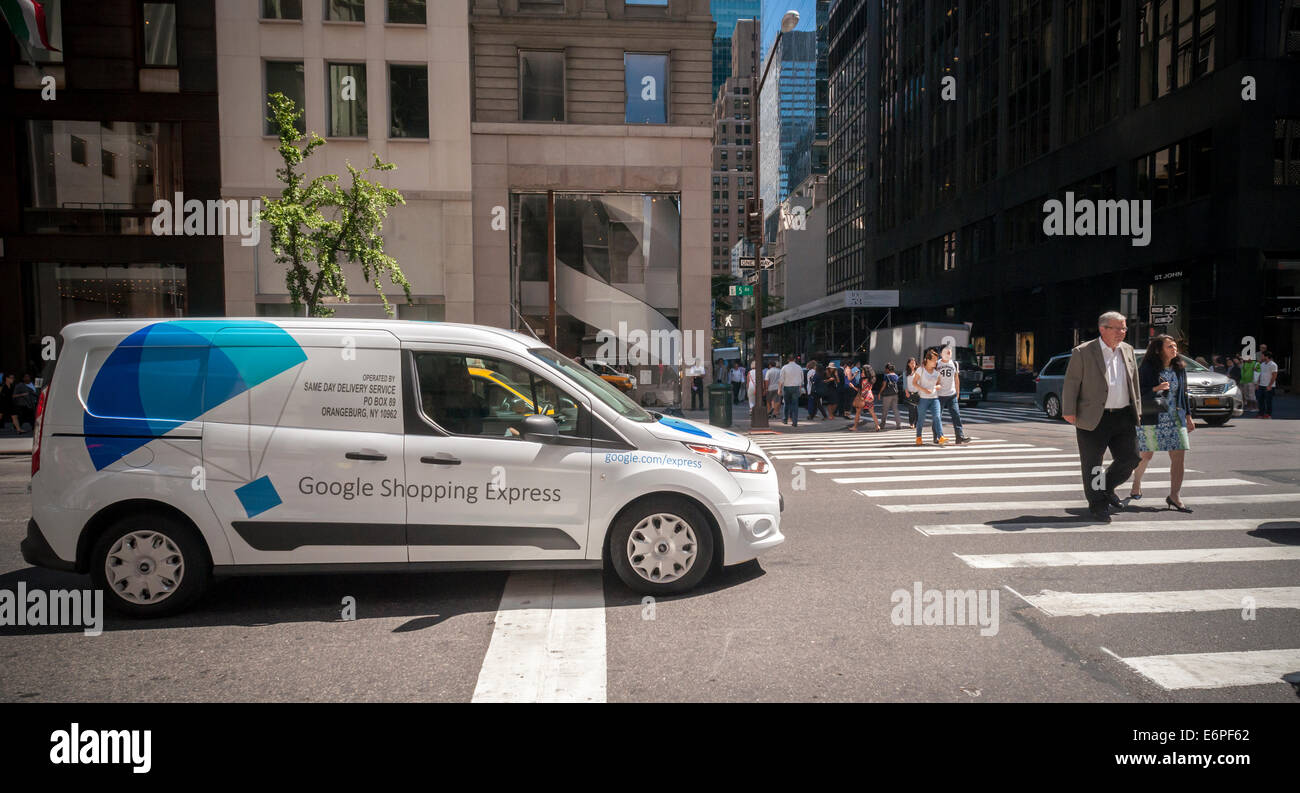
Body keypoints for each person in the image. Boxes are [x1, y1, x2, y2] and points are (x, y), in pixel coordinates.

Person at [1061, 311, 1142, 523]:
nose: (1122, 332)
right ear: (1102, 329)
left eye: (1124, 328)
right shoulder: (1083, 351)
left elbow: (1134, 382)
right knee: (1094, 465)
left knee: (1131, 457)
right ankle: (1098, 504)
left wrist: (1138, 409)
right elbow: (1071, 382)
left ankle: (1105, 488)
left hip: (1123, 415)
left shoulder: (1127, 350)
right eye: (1117, 328)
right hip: (1093, 416)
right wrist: (1069, 410)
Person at [1130, 334, 1195, 512]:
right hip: (1153, 417)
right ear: (1159, 350)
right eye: (1169, 346)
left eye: (1175, 346)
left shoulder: (1179, 368)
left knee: (1179, 457)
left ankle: (1175, 495)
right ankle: (1136, 483)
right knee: (1146, 455)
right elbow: (1137, 392)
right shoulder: (1147, 368)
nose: (1174, 349)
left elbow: (1183, 393)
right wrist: (1156, 388)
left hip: (1175, 418)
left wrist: (1188, 416)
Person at [935, 346, 971, 444]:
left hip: (952, 394)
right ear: (941, 354)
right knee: (937, 416)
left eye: (950, 352)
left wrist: (957, 392)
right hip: (939, 395)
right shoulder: (937, 363)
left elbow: (956, 379)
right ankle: (937, 436)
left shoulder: (955, 363)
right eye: (946, 352)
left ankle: (959, 437)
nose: (948, 353)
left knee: (956, 415)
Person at [911, 349, 945, 445]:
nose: (936, 362)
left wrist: (935, 387)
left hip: (934, 399)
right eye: (934, 360)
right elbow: (914, 383)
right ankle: (918, 437)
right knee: (921, 419)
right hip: (923, 399)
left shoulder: (936, 372)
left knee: (937, 417)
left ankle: (941, 437)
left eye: (936, 360)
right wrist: (924, 389)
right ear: (928, 360)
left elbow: (939, 384)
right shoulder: (920, 370)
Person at [849, 366, 880, 432]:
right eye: (862, 372)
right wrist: (853, 387)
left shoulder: (863, 380)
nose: (862, 373)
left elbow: (862, 390)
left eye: (863, 372)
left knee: (858, 413)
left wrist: (853, 387)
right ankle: (877, 426)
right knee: (872, 412)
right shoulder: (870, 380)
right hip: (869, 398)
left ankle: (855, 427)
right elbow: (864, 390)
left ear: (867, 373)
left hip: (862, 398)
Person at [780, 354, 804, 426]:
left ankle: (785, 419)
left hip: (787, 387)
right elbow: (801, 379)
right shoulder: (799, 367)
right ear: (795, 359)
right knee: (795, 404)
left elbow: (781, 379)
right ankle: (794, 421)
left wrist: (779, 389)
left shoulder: (784, 367)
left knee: (786, 404)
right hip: (796, 387)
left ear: (788, 360)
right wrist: (800, 388)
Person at [878, 363, 902, 430]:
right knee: (895, 409)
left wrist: (880, 393)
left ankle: (882, 425)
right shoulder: (896, 376)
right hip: (895, 394)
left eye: (886, 369)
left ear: (888, 369)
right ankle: (898, 424)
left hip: (887, 395)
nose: (885, 370)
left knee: (885, 410)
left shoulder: (886, 376)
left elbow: (884, 385)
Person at [1256, 349, 1278, 418]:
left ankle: (1268, 414)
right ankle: (1261, 414)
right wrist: (1258, 383)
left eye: (1262, 355)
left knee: (1268, 401)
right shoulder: (1262, 364)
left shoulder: (1273, 364)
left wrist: (1270, 385)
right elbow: (1260, 374)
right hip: (1261, 385)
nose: (1261, 357)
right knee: (1260, 400)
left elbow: (1274, 375)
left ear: (1266, 356)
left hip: (1268, 386)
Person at [903, 357, 919, 429]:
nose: (913, 364)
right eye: (911, 363)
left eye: (914, 363)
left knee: (917, 410)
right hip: (909, 393)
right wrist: (906, 392)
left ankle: (917, 423)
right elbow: (905, 384)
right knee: (911, 409)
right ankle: (911, 423)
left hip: (918, 393)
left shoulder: (918, 372)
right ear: (908, 364)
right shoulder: (905, 373)